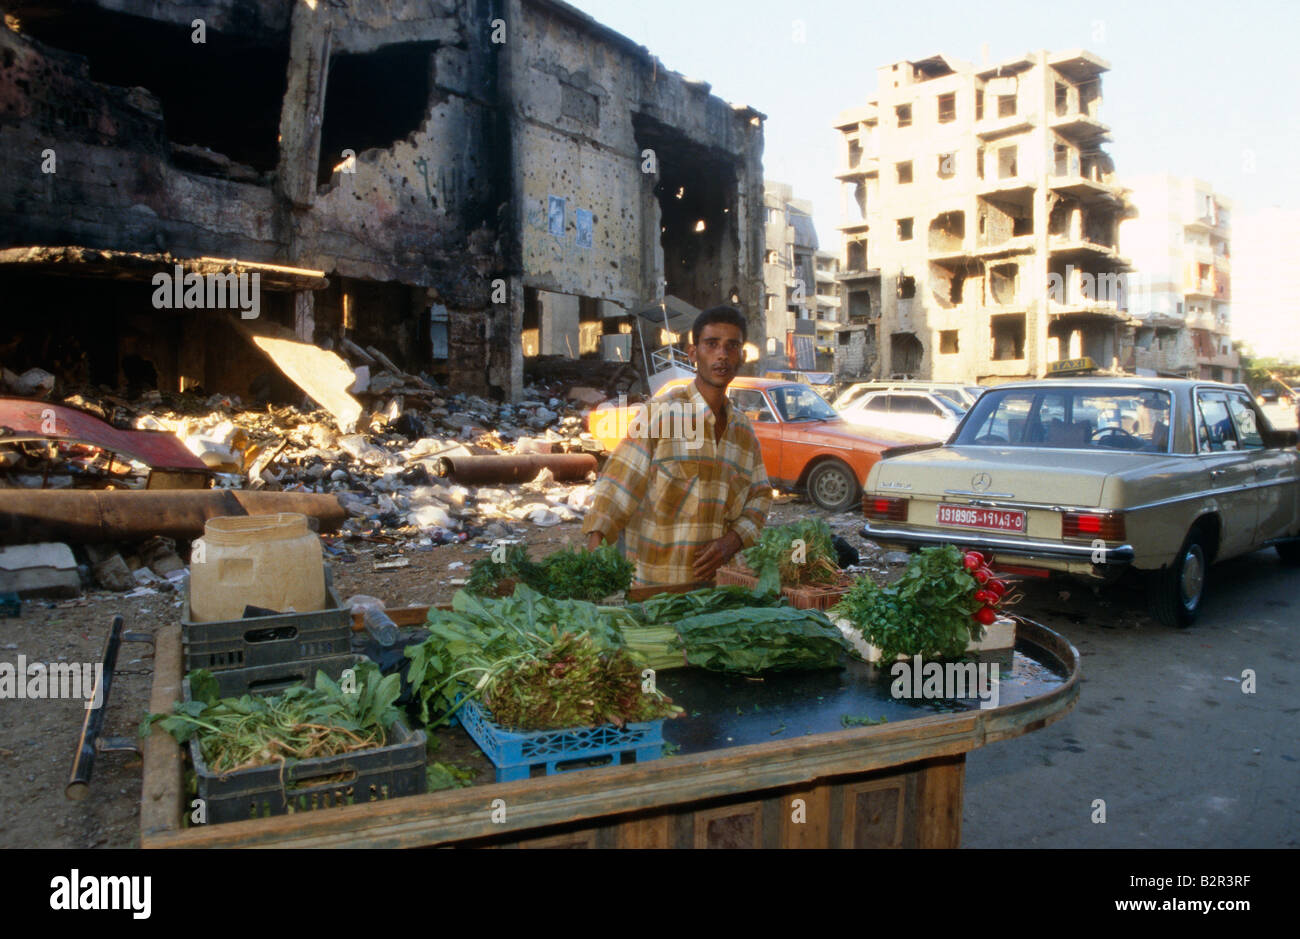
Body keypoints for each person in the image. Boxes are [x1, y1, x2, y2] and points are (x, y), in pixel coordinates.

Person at [581, 306, 771, 590]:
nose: (722, 355)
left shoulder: (742, 431)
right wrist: (593, 558)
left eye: (732, 346)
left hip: (716, 593)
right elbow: (618, 485)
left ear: (741, 356)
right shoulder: (660, 413)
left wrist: (733, 540)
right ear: (693, 353)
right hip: (655, 591)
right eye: (712, 345)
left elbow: (760, 497)